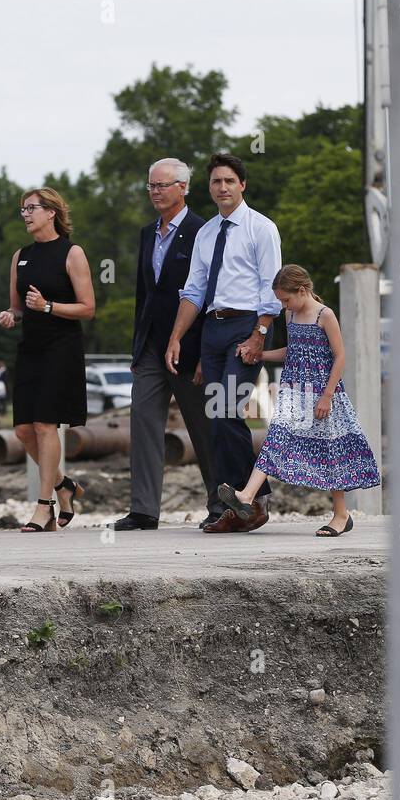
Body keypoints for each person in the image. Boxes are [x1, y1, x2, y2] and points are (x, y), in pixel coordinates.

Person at [216, 265, 381, 536]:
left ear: (302, 291)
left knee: (331, 451)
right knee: (276, 438)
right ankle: (246, 496)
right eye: (281, 301)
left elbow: (340, 357)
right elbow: (294, 352)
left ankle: (341, 514)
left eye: (285, 299)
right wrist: (259, 355)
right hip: (294, 392)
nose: (282, 305)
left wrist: (327, 396)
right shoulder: (291, 315)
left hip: (322, 393)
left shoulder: (324, 315)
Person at [165, 153, 282, 533]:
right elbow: (195, 290)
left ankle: (250, 500)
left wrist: (258, 334)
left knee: (228, 408)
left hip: (247, 326)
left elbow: (272, 288)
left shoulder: (261, 228)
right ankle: (232, 505)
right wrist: (178, 338)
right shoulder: (206, 233)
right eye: (216, 181)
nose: (222, 187)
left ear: (242, 185)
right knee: (214, 417)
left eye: (229, 181)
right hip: (212, 330)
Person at [114, 158, 224, 530]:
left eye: (162, 185)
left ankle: (220, 504)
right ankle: (144, 510)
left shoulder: (204, 231)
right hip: (149, 349)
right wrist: (136, 348)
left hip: (190, 348)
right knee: (143, 424)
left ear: (183, 188)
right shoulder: (147, 233)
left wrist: (205, 353)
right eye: (151, 186)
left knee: (203, 428)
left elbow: (210, 295)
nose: (155, 192)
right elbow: (144, 294)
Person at [0, 187, 95, 531]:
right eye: (22, 209)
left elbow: (88, 308)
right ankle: (63, 485)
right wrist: (12, 315)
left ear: (51, 212)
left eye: (31, 208)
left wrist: (49, 306)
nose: (25, 214)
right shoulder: (20, 255)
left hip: (61, 347)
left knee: (45, 425)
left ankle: (44, 508)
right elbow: (19, 306)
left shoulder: (72, 253)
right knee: (23, 429)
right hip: (31, 347)